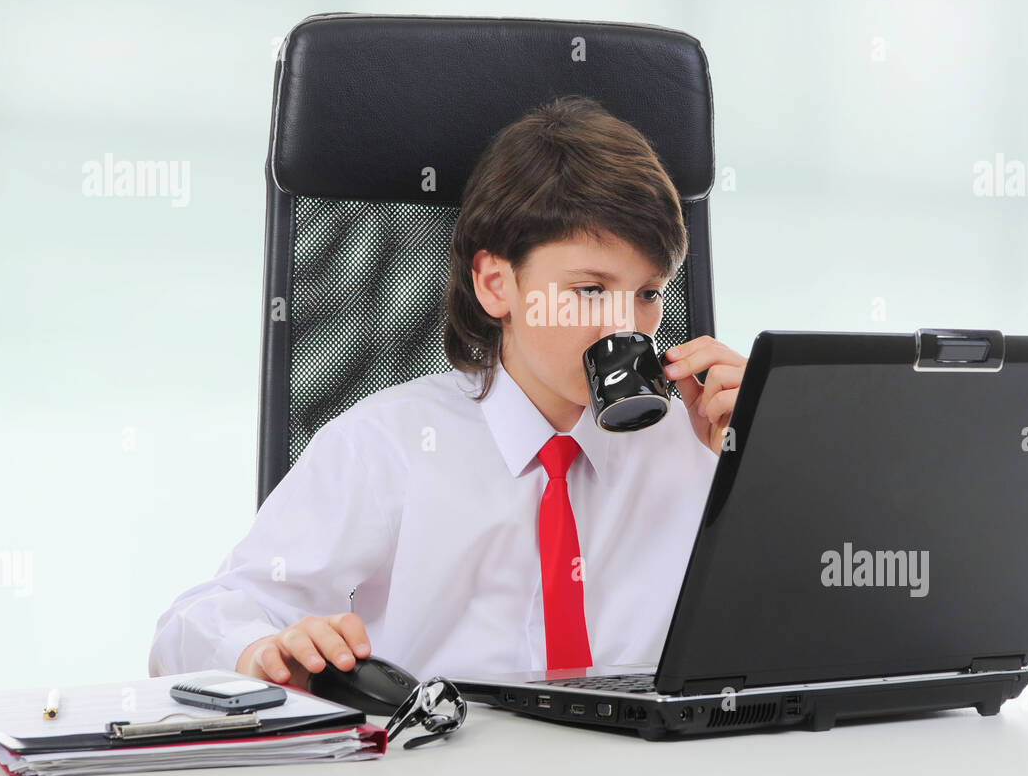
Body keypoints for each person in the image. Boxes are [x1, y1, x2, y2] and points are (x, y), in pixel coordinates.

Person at [147, 95, 747, 686]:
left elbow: (808, 618)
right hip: (444, 771)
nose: (625, 325)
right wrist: (262, 651)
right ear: (495, 285)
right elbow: (190, 628)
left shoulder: (695, 442)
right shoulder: (389, 445)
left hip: (651, 773)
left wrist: (759, 463)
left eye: (647, 293)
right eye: (590, 291)